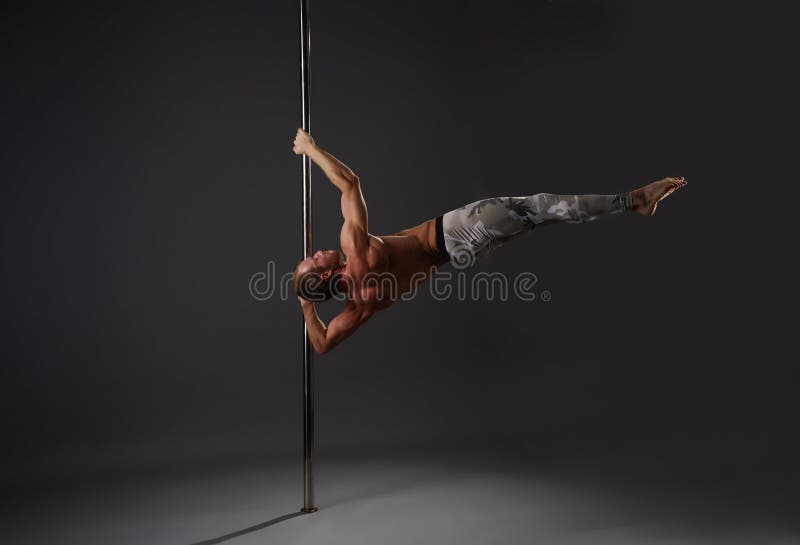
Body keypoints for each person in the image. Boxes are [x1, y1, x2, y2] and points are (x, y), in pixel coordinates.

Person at [291, 128, 687, 354]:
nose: (314, 253)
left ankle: (632, 204)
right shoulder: (354, 251)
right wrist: (310, 149)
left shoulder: (359, 305)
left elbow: (322, 343)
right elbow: (350, 182)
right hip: (457, 231)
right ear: (326, 275)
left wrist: (308, 306)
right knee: (543, 207)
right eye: (312, 261)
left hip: (462, 256)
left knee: (540, 217)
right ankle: (634, 201)